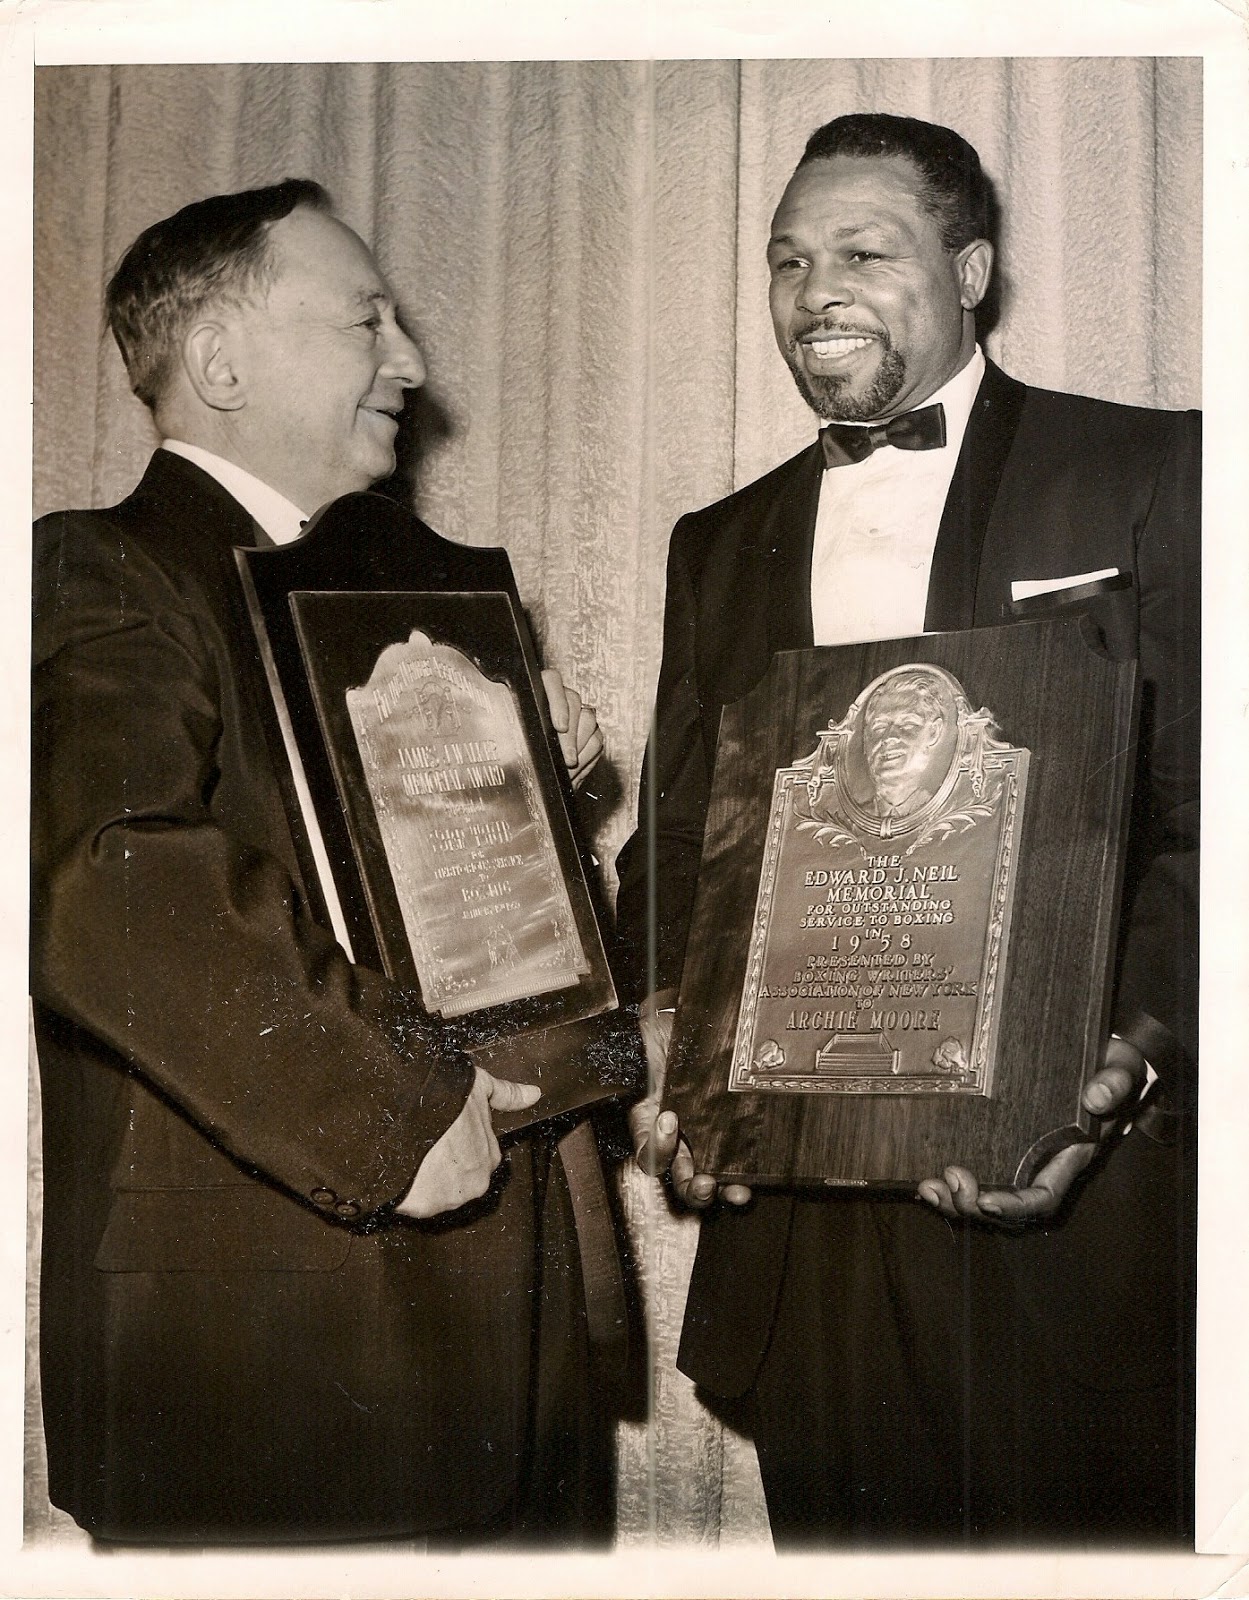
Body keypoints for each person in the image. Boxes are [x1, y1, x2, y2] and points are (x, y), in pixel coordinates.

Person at [616, 113, 1198, 1544]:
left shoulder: (1153, 469)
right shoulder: (716, 539)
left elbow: (1215, 817)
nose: (814, 291)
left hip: (1068, 1214)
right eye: (787, 261)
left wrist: (1121, 1055)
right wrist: (660, 1035)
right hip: (799, 1242)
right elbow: (679, 842)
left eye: (863, 253)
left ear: (971, 272)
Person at [31, 178, 619, 1546]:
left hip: (510, 1343)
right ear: (222, 363)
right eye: (367, 322)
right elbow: (104, 876)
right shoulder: (103, 571)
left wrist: (536, 795)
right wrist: (387, 1110)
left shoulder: (405, 597)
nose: (411, 362)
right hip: (274, 1362)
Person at [860, 671, 951, 818]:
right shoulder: (838, 818)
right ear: (866, 737)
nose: (889, 737)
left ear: (934, 732)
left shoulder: (948, 814)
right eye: (880, 726)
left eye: (907, 724)